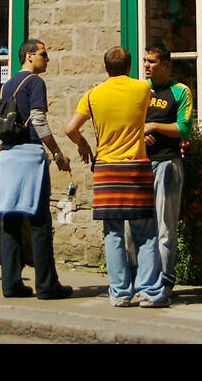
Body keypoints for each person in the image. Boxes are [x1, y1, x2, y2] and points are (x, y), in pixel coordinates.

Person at [66, 45, 168, 309]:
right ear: (130, 67)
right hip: (135, 168)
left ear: (105, 68)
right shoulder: (142, 89)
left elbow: (70, 128)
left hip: (106, 170)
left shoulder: (92, 95)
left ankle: (120, 292)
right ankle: (148, 291)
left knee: (112, 233)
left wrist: (83, 143)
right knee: (145, 233)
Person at [0, 38, 74, 300]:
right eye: (43, 54)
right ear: (29, 56)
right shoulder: (35, 83)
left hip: (8, 156)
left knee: (11, 219)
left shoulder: (7, 85)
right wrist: (57, 152)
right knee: (39, 221)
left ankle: (11, 283)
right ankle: (47, 285)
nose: (47, 59)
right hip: (29, 155)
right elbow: (38, 120)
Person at [143, 42, 194, 292]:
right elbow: (128, 124)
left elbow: (184, 128)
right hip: (141, 165)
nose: (146, 66)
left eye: (151, 62)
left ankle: (164, 282)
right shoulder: (140, 90)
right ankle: (145, 280)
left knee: (165, 228)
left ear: (165, 64)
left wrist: (153, 127)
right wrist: (140, 136)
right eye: (144, 61)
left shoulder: (180, 91)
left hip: (167, 164)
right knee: (140, 227)